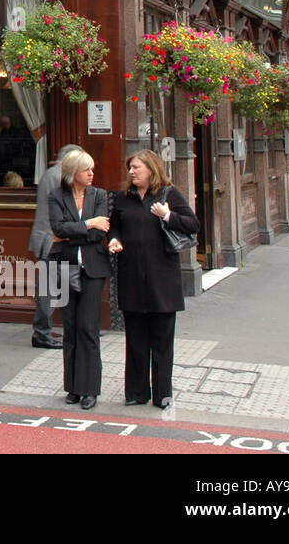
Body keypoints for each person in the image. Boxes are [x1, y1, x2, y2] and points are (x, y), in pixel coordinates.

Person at [107, 150, 200, 409]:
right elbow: (115, 226)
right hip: (132, 276)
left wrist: (167, 216)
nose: (131, 172)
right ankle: (137, 392)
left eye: (136, 167)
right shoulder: (122, 198)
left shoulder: (169, 194)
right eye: (130, 168)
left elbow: (193, 224)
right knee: (135, 339)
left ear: (151, 169)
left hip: (163, 281)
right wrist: (114, 239)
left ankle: (163, 393)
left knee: (161, 340)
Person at [47, 149, 111, 410]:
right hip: (64, 267)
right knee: (70, 328)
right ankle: (72, 387)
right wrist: (88, 224)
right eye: (87, 170)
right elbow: (57, 228)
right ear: (74, 174)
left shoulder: (100, 196)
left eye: (92, 169)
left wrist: (77, 232)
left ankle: (90, 389)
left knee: (88, 328)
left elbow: (100, 234)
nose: (91, 174)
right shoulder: (57, 196)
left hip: (92, 270)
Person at [27, 144, 81, 349]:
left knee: (53, 288)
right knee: (49, 290)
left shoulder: (52, 174)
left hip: (48, 239)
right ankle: (41, 334)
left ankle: (46, 331)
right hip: (52, 241)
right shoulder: (59, 176)